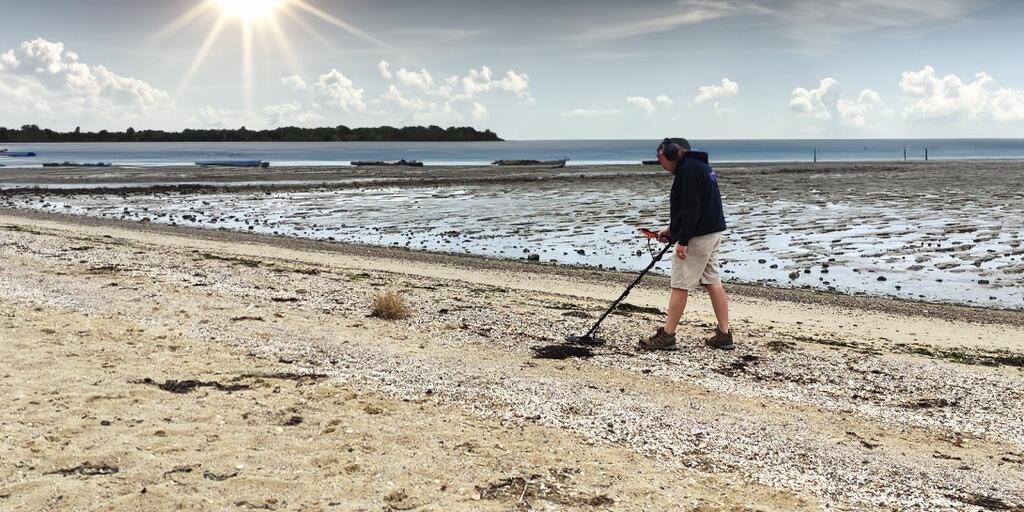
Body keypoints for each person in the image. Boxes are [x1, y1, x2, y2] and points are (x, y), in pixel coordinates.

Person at [640, 137, 734, 351]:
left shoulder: (690, 171)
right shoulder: (699, 166)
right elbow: (693, 207)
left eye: (661, 159)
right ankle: (724, 334)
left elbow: (692, 208)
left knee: (680, 284)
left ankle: (667, 336)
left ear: (674, 153)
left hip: (698, 236)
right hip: (712, 232)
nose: (662, 165)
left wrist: (682, 241)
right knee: (712, 281)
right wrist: (672, 230)